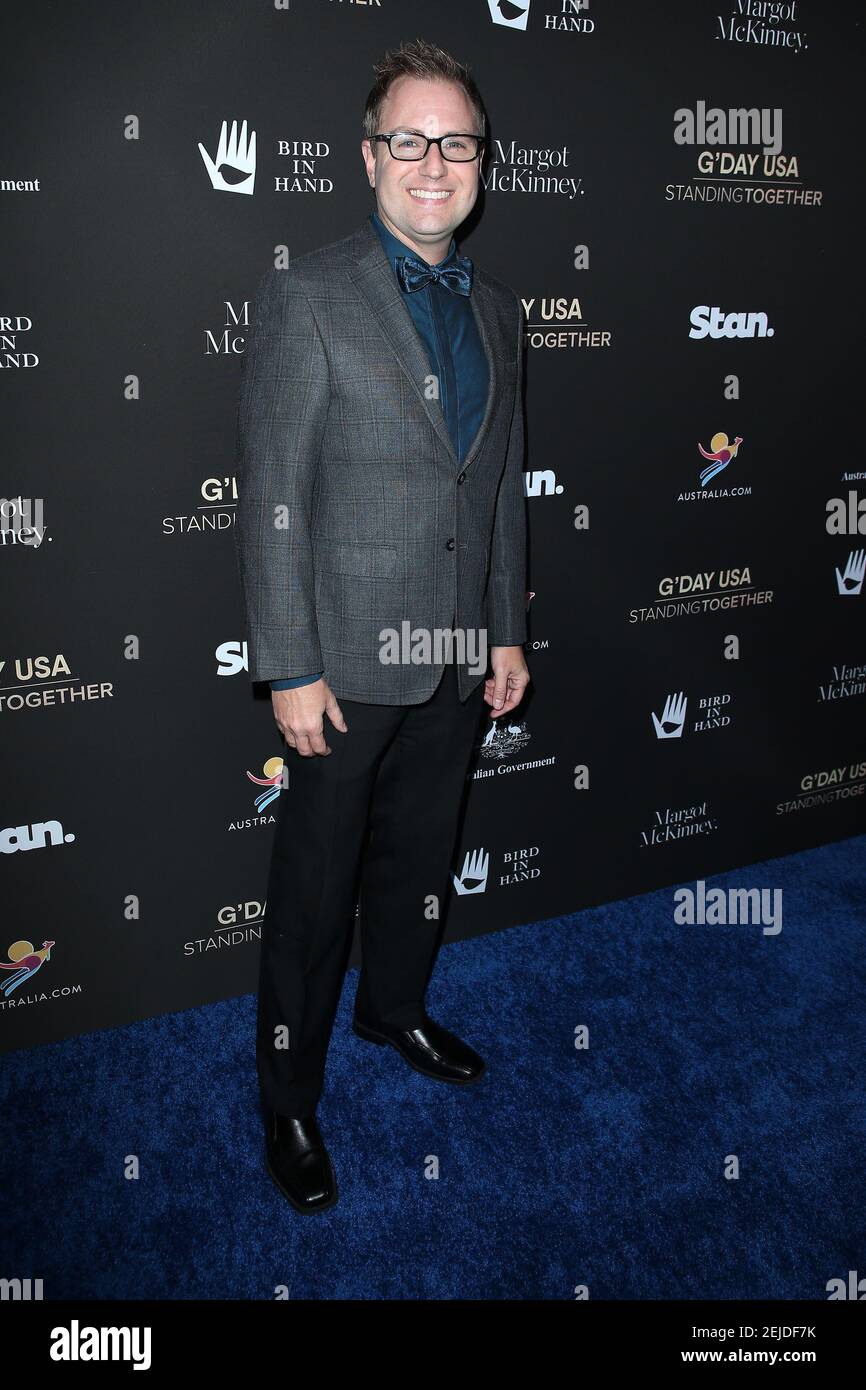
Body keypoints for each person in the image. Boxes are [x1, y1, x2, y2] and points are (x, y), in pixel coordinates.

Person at [234, 38, 529, 1213]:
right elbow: (271, 496)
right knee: (314, 890)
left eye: (453, 141)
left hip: (455, 657)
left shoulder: (500, 313)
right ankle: (287, 1098)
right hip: (343, 664)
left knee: (418, 861)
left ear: (479, 164)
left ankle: (394, 1010)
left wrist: (503, 631)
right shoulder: (308, 295)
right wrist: (290, 665)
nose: (431, 162)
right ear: (367, 157)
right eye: (407, 138)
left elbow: (500, 486)